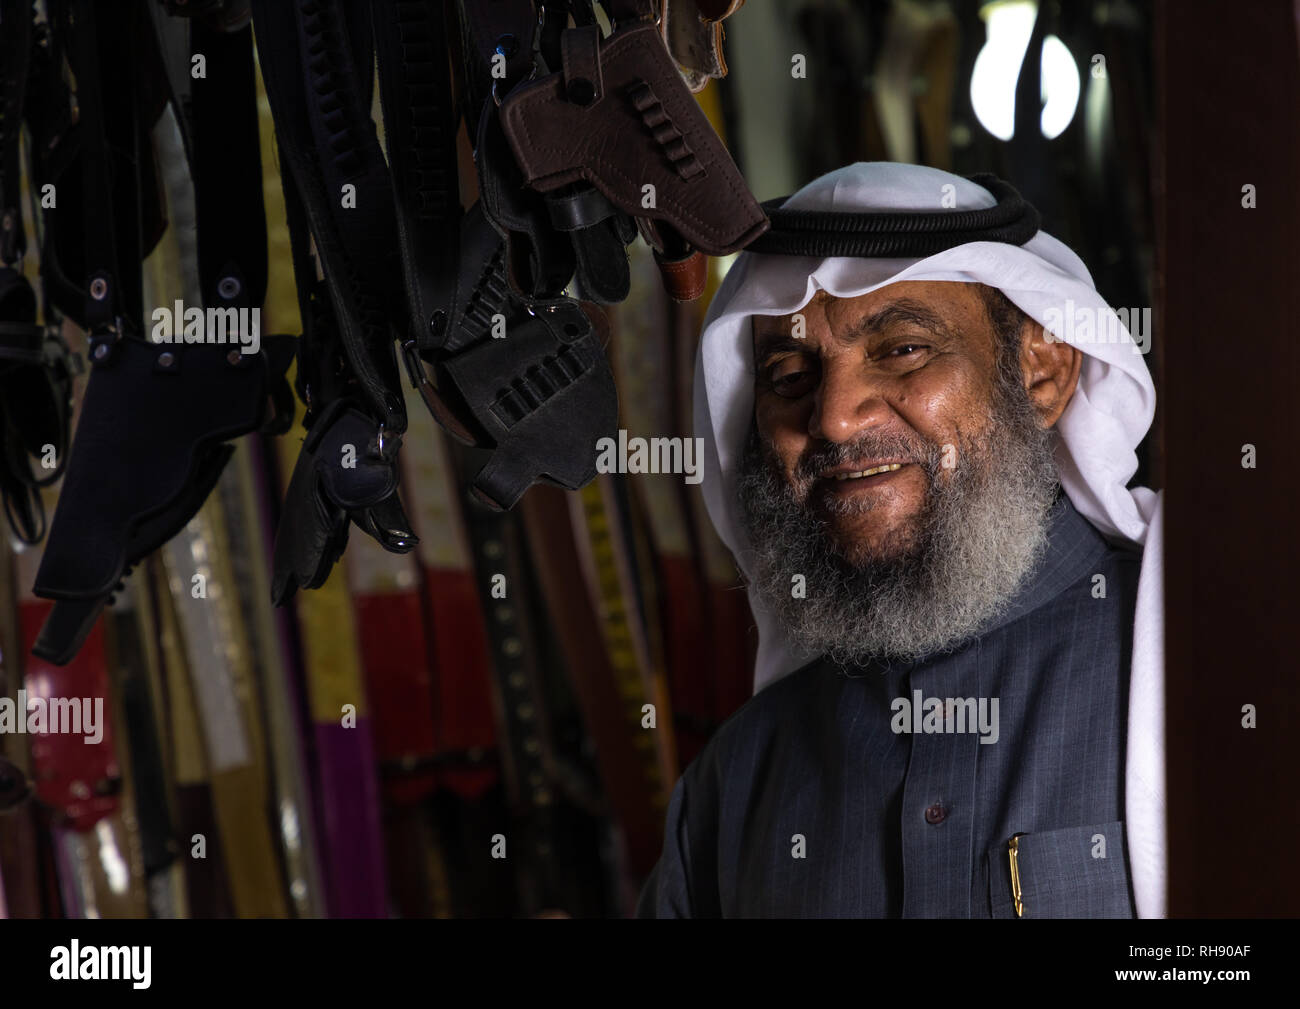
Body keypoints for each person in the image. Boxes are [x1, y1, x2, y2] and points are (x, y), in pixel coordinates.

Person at [637, 162, 1165, 919]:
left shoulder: (1204, 669)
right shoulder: (735, 787)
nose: (834, 418)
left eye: (903, 349)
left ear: (1042, 373)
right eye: (789, 374)